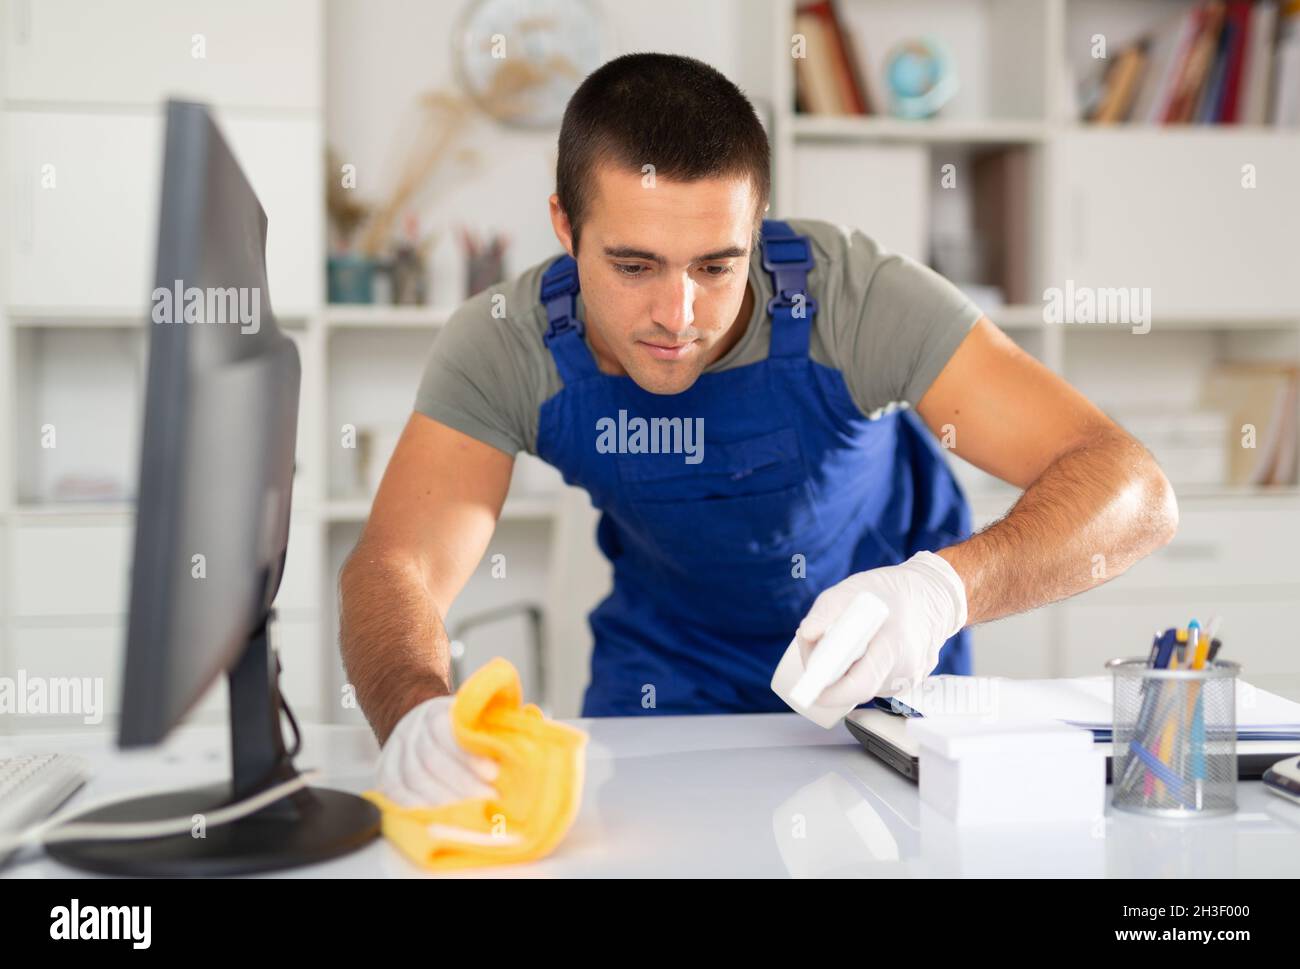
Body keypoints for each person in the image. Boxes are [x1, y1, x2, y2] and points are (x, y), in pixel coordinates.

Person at [341, 53, 1177, 807]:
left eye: (716, 265)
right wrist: (416, 710)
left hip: (880, 677)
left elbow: (1131, 487)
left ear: (758, 225)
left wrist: (940, 593)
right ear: (565, 228)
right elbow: (397, 562)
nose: (679, 316)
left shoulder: (853, 298)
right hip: (665, 678)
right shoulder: (506, 341)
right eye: (633, 266)